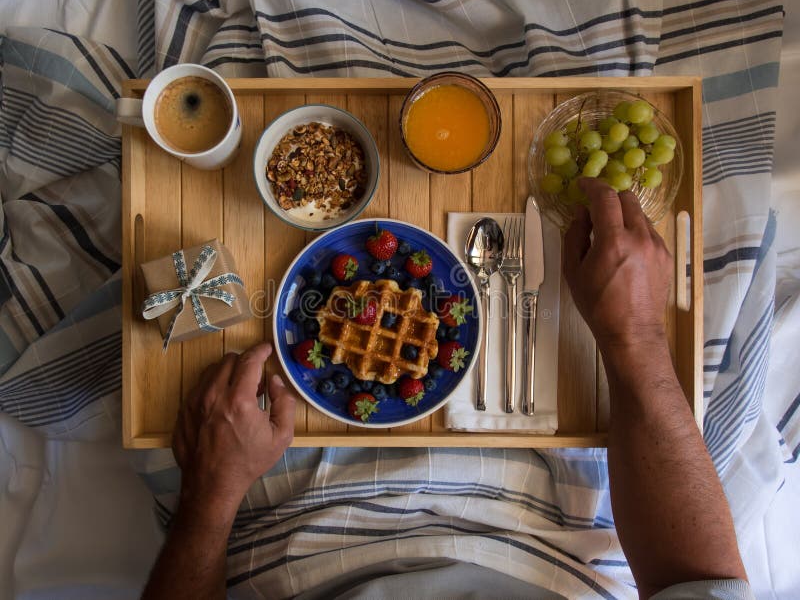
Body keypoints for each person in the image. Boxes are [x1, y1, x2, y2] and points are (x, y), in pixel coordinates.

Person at [141, 178, 752, 600]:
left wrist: (210, 494)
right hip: (553, 536)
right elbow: (698, 580)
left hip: (287, 518)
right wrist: (638, 337)